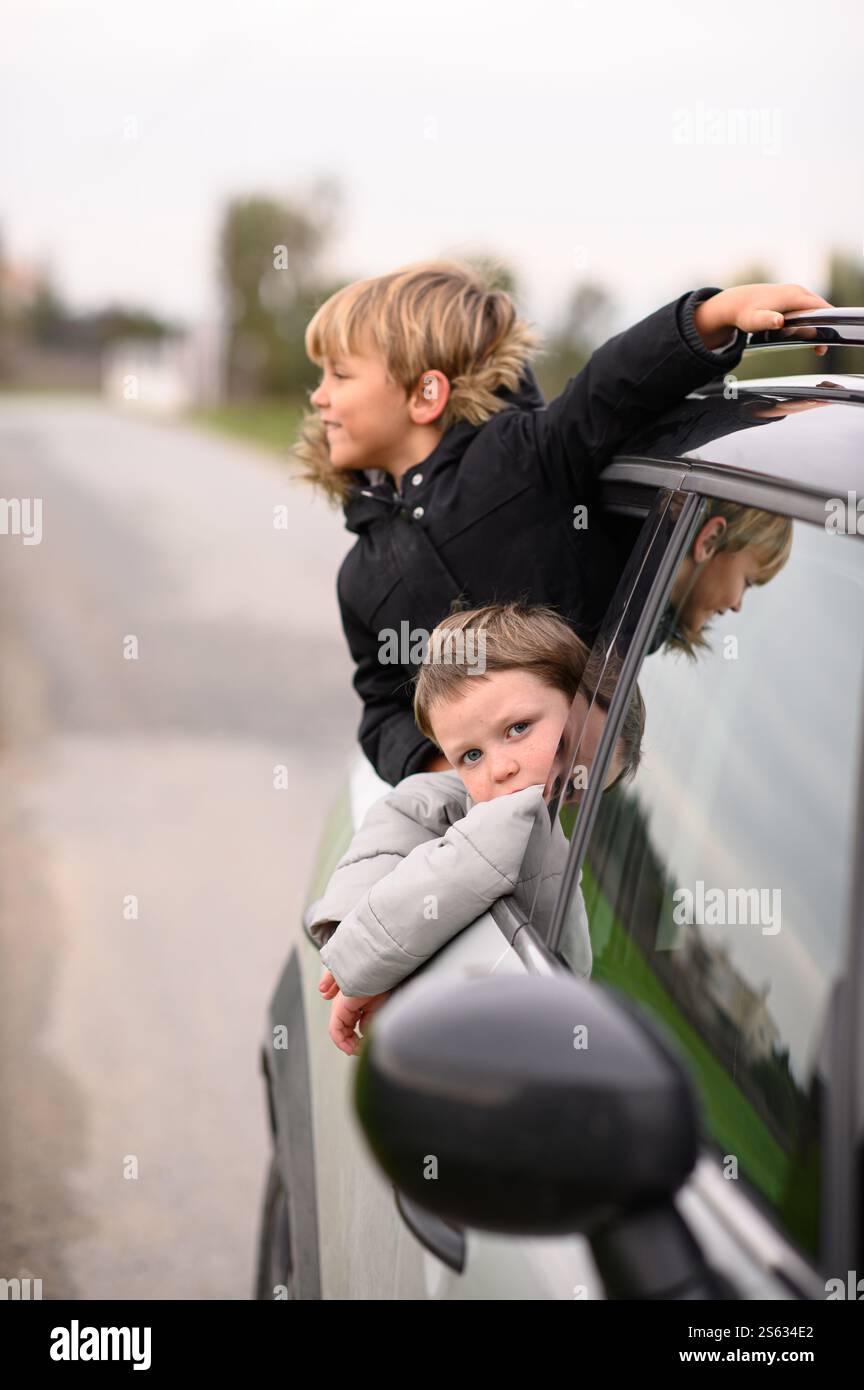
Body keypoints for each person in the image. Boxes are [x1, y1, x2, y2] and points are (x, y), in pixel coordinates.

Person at [294, 259, 829, 785]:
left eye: (339, 374)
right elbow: (381, 708)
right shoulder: (359, 576)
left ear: (426, 394)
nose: (318, 395)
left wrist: (709, 318)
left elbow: (608, 392)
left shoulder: (521, 460)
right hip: (477, 829)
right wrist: (453, 772)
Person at [305, 602, 645, 1055]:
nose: (500, 769)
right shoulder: (488, 813)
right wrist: (360, 963)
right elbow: (392, 845)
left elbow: (568, 966)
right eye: (470, 756)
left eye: (574, 790)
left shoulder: (532, 821)